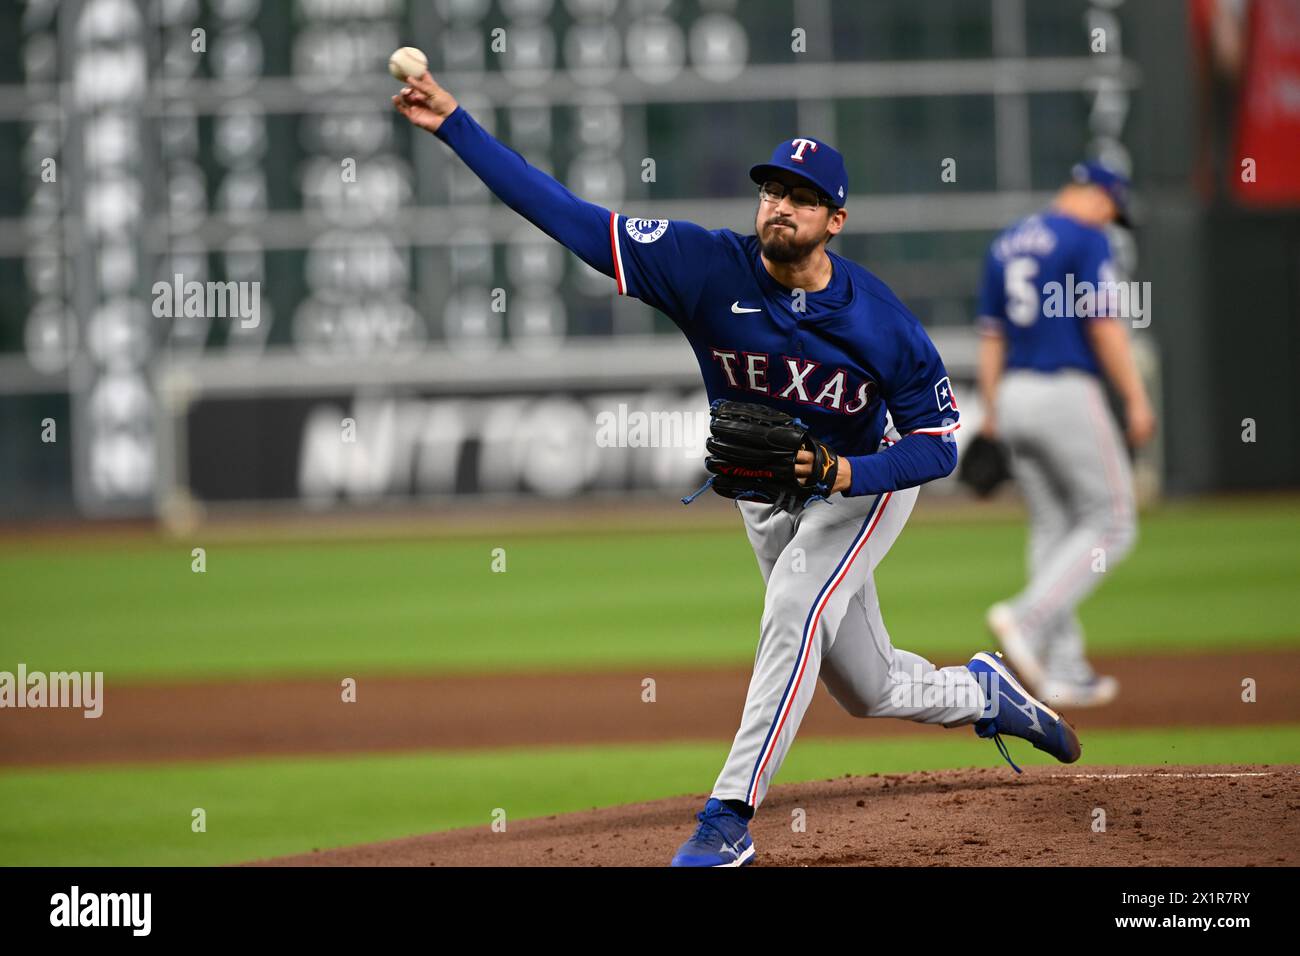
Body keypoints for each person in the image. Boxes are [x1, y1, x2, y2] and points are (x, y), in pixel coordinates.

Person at [394, 71, 1081, 868]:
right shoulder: (703, 266)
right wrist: (456, 126)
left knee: (795, 603)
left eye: (800, 196)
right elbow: (565, 216)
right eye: (770, 191)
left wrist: (844, 473)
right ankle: (983, 693)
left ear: (835, 220)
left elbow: (939, 444)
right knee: (869, 687)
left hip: (861, 481)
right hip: (763, 494)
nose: (779, 206)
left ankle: (726, 818)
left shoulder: (881, 322)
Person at [975, 161, 1157, 709]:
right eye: (1112, 207)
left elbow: (991, 336)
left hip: (1013, 394)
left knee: (1054, 525)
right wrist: (1136, 397)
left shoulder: (1006, 243)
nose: (1111, 218)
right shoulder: (1085, 237)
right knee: (1115, 522)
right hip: (1064, 391)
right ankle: (1025, 622)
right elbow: (1103, 326)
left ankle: (1064, 668)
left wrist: (991, 411)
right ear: (1099, 195)